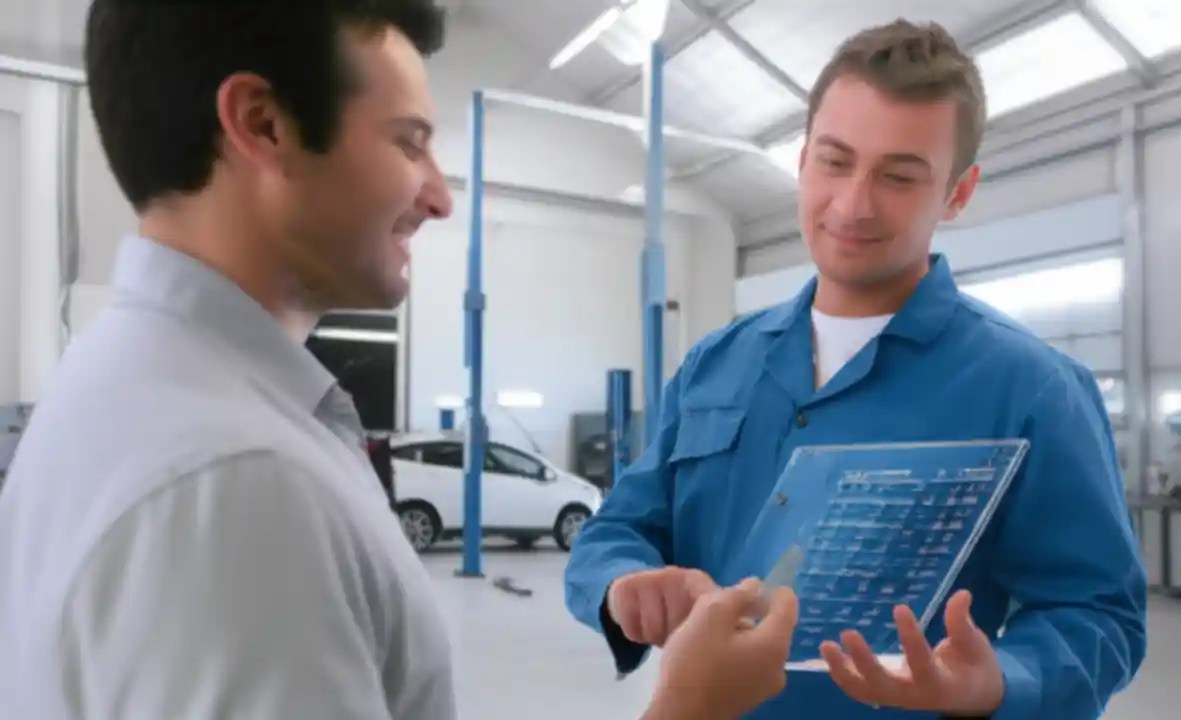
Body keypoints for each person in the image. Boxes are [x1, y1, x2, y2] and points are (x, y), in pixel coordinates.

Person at [0, 2, 801, 719]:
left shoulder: (118, 386)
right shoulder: (238, 479)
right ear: (263, 124)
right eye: (408, 142)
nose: (439, 197)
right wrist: (691, 708)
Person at [565, 18, 1148, 720]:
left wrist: (998, 680)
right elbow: (616, 529)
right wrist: (624, 583)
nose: (852, 204)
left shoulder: (1032, 389)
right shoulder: (714, 366)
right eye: (835, 162)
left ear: (958, 193)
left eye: (898, 176)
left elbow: (1100, 614)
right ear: (803, 159)